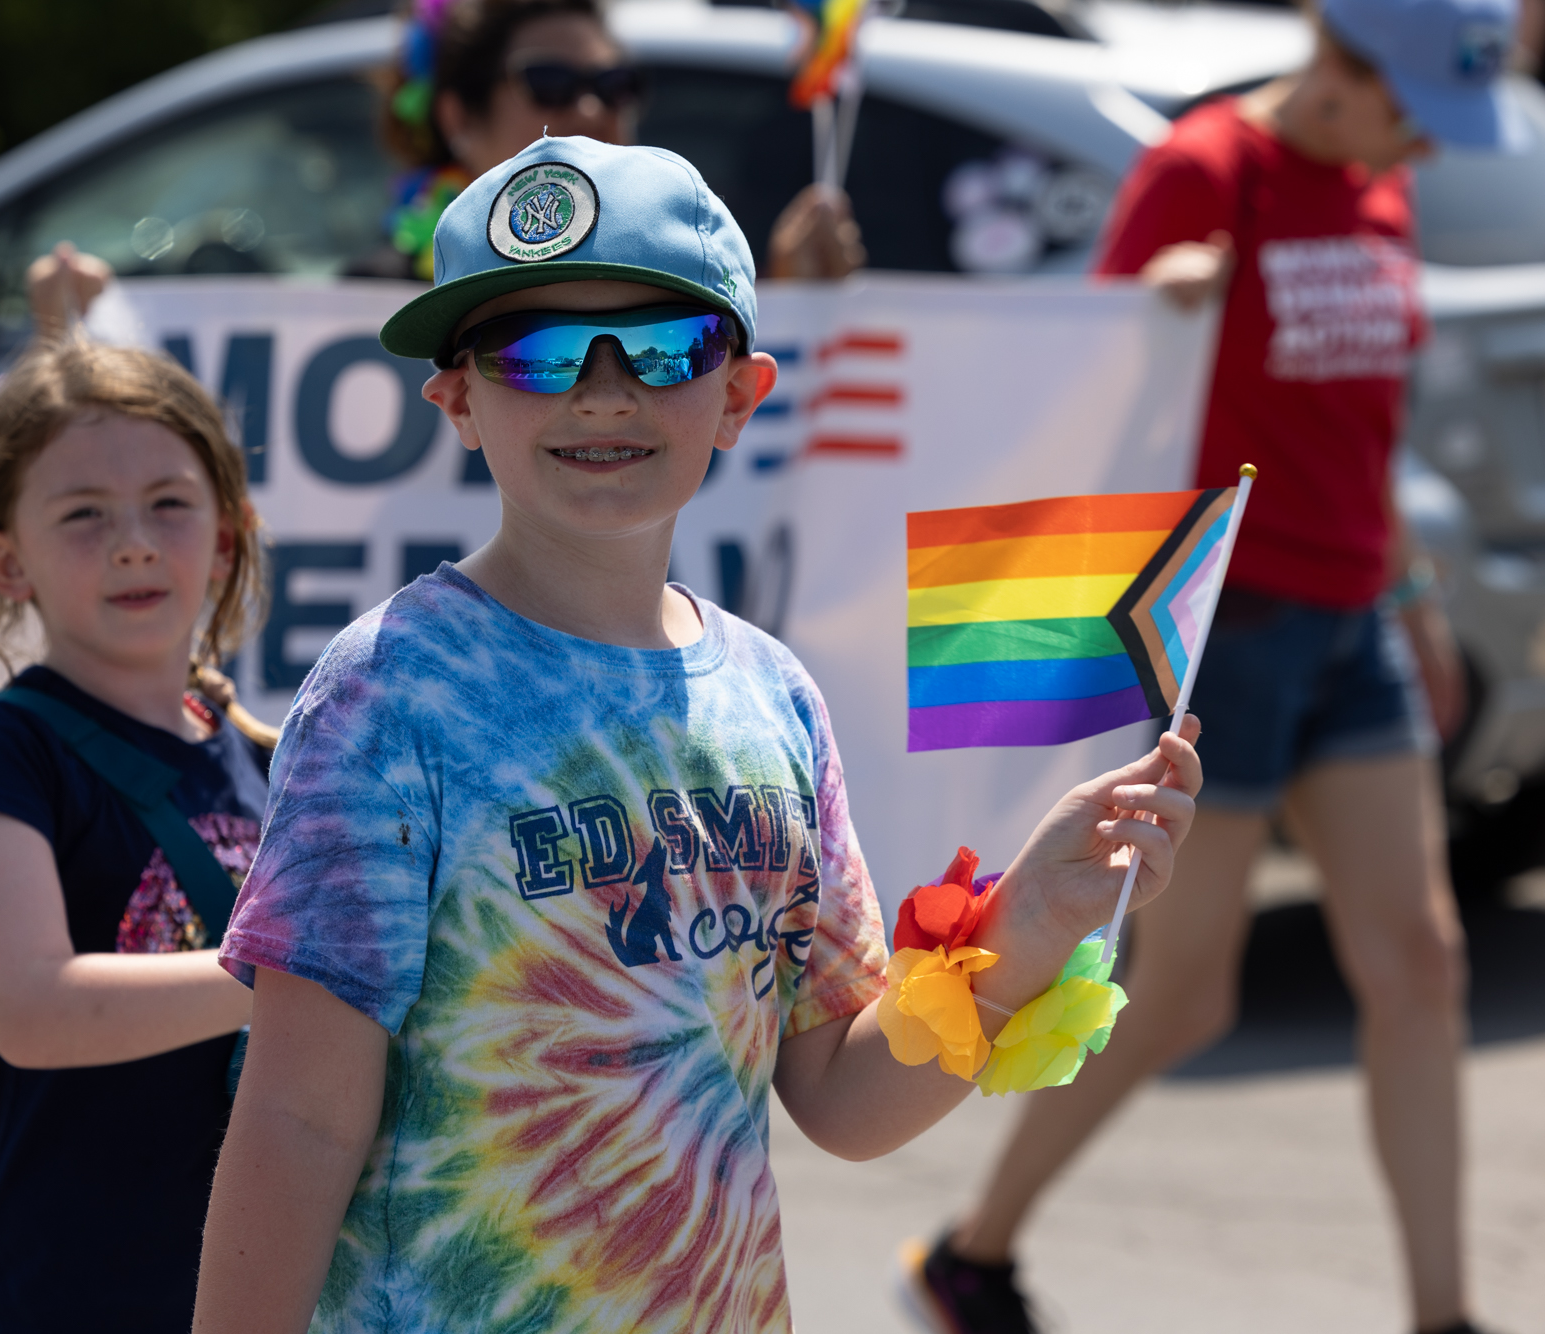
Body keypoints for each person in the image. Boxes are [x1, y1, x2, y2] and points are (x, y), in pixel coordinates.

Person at [191, 133, 1202, 1334]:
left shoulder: (774, 697)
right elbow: (298, 1118)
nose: (601, 392)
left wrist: (1027, 922)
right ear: (457, 397)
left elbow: (840, 1097)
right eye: (535, 352)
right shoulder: (387, 693)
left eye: (664, 348)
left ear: (737, 394)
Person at [897, 0, 1523, 1331]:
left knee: (1421, 961)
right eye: (1411, 110)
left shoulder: (1379, 186)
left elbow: (1364, 428)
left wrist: (1414, 597)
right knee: (1182, 995)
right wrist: (1148, 312)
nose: (1424, 146)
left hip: (1357, 621)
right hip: (1222, 631)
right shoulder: (1202, 170)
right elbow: (1084, 386)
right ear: (1339, 59)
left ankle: (1444, 1313)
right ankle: (970, 1255)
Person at [0, 340, 269, 1332]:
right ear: (4, 560)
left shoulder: (274, 755)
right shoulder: (3, 745)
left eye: (169, 503)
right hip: (60, 1301)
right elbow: (30, 1008)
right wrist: (299, 972)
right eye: (84, 514)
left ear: (226, 539)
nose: (133, 543)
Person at [370, 0, 864, 279]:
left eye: (614, 86)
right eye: (549, 83)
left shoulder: (679, 280)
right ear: (458, 118)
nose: (591, 110)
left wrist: (799, 306)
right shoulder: (372, 300)